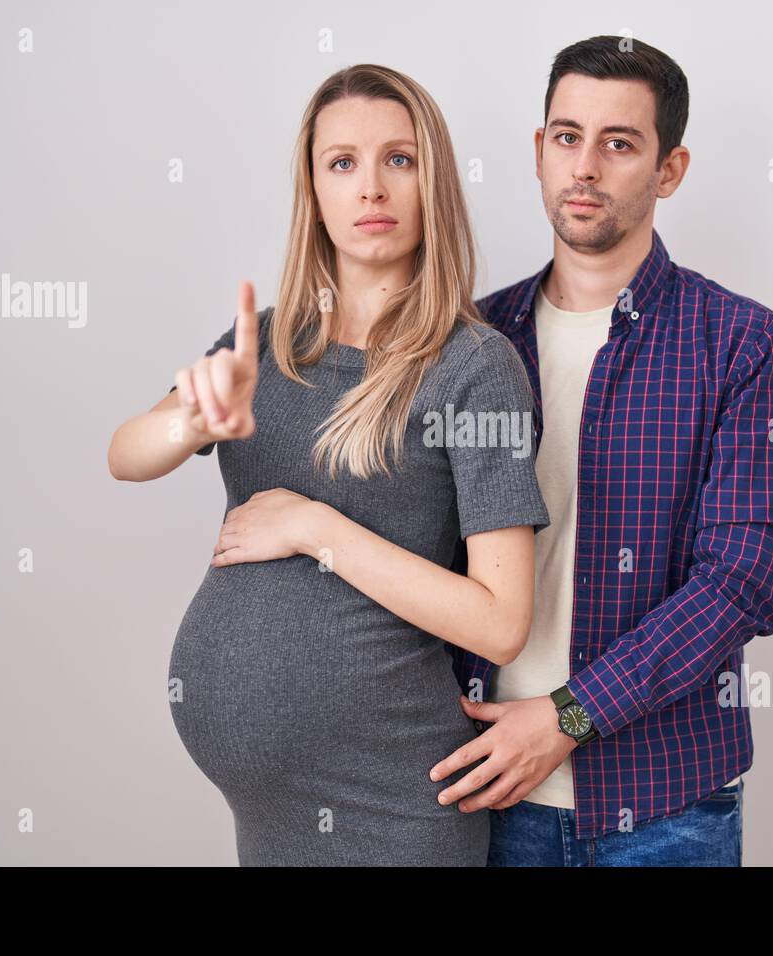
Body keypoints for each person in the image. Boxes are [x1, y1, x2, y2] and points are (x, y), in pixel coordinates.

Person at [107, 64, 550, 866]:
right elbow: (124, 457)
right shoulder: (268, 343)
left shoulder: (476, 367)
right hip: (274, 817)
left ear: (433, 183)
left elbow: (500, 620)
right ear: (313, 190)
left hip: (393, 803)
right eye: (342, 162)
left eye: (400, 160)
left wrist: (317, 529)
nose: (371, 188)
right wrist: (189, 418)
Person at [427, 35, 773, 866]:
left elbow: (744, 582)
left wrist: (569, 716)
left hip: (668, 804)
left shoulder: (741, 344)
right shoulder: (472, 342)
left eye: (619, 143)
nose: (585, 168)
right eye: (567, 138)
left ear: (669, 169)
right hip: (480, 792)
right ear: (538, 152)